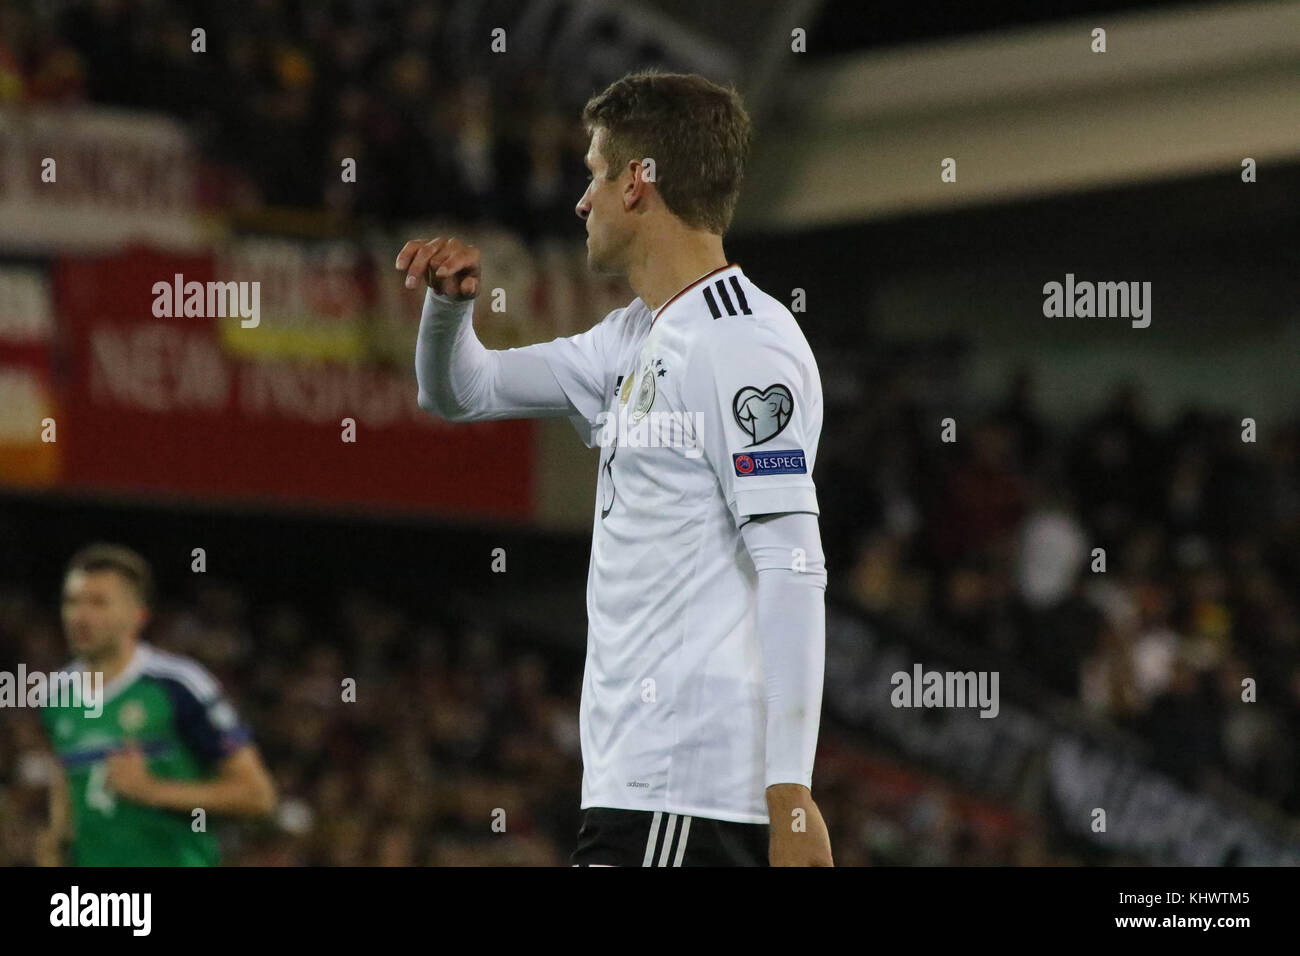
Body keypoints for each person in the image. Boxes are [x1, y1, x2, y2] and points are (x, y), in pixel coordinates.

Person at [401, 70, 832, 866]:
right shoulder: (628, 340)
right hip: (640, 786)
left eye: (595, 173)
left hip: (686, 787)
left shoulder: (741, 344)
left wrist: (791, 795)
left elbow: (793, 564)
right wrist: (448, 310)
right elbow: (464, 391)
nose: (581, 199)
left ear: (640, 183)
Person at [38, 543, 276, 866]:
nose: (80, 615)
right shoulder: (56, 693)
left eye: (98, 603)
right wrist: (56, 841)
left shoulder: (179, 684)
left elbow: (257, 795)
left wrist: (152, 790)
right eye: (72, 602)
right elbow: (65, 779)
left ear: (138, 615)